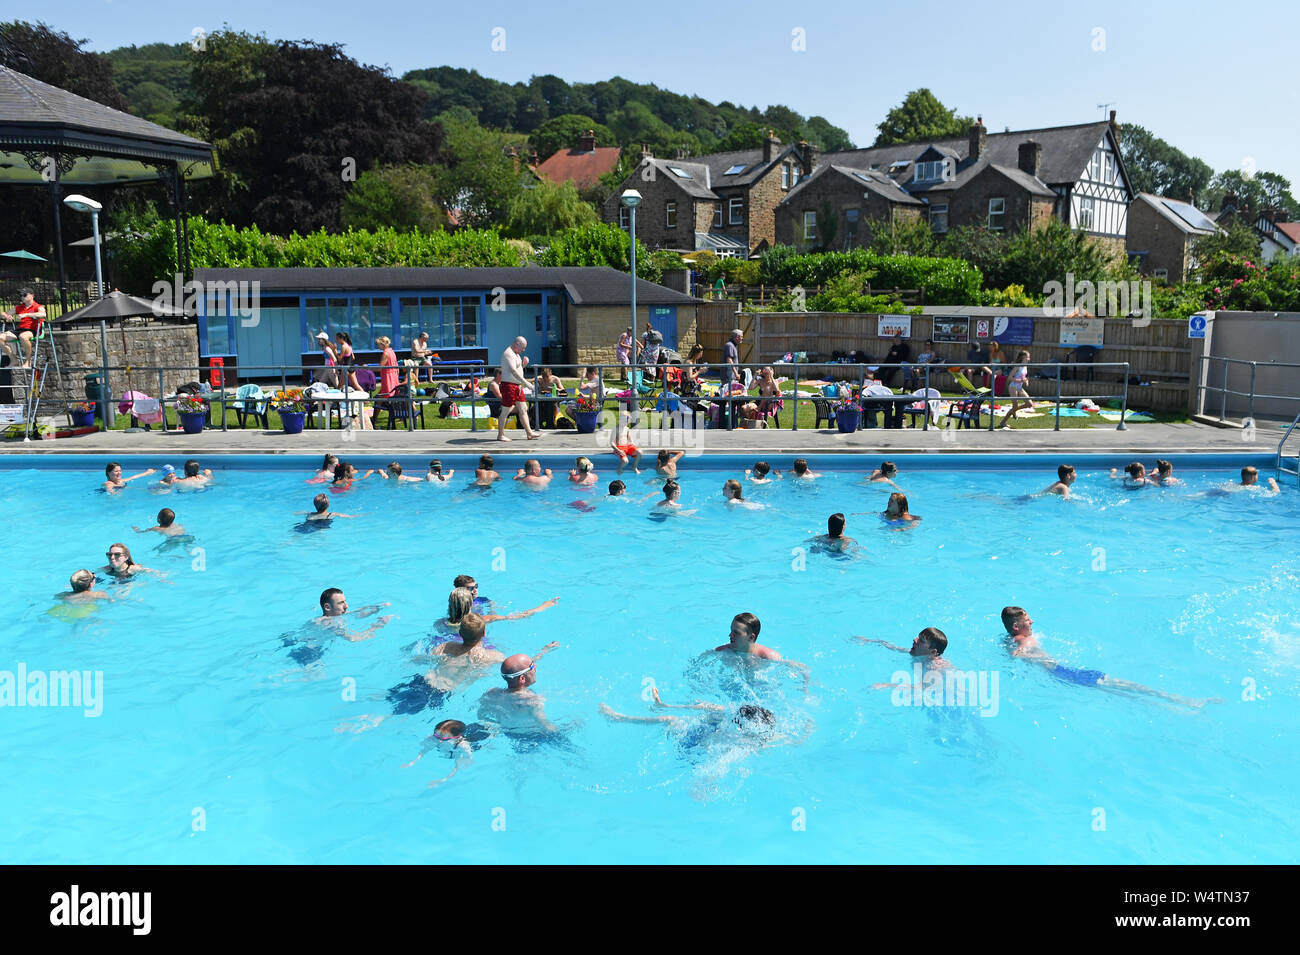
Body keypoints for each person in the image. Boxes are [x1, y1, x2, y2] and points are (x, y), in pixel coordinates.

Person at [1001, 606, 1216, 707]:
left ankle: (1170, 705)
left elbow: (1012, 649)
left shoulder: (1010, 638)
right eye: (1028, 620)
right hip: (1066, 672)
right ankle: (1179, 700)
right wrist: (1021, 655)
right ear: (1017, 625)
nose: (1032, 622)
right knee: (1124, 685)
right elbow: (1017, 652)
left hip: (1061, 675)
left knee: (1119, 693)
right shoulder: (1023, 641)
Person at [477, 645, 564, 737]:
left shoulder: (492, 694)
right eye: (532, 667)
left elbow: (481, 715)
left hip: (507, 733)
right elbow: (545, 725)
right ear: (522, 678)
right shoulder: (531, 701)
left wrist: (543, 651)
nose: (535, 666)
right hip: (530, 737)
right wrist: (562, 732)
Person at [712, 612, 811, 690]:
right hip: (733, 686)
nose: (730, 635)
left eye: (736, 633)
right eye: (731, 630)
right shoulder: (722, 651)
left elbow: (802, 668)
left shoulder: (768, 656)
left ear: (751, 637)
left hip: (761, 687)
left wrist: (805, 688)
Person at [403, 718, 491, 788]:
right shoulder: (436, 737)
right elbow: (424, 750)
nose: (439, 740)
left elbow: (458, 767)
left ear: (456, 737)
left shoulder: (462, 745)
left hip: (476, 738)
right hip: (460, 736)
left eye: (443, 738)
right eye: (437, 735)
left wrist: (441, 781)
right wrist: (411, 763)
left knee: (487, 732)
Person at [856, 627, 951, 689]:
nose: (915, 639)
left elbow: (923, 688)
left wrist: (887, 685)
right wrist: (869, 641)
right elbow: (894, 647)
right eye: (918, 637)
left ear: (933, 652)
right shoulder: (918, 652)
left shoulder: (934, 667)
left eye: (921, 640)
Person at [498, 336, 540, 441]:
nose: (523, 350)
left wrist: (523, 365)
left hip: (517, 386)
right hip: (509, 386)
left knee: (523, 409)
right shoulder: (508, 354)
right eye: (522, 347)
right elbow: (513, 371)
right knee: (505, 411)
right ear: (517, 344)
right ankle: (500, 435)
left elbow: (517, 368)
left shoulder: (516, 354)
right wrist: (527, 383)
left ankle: (529, 433)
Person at [0, 289, 46, 366]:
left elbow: (43, 314)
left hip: (33, 330)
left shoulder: (38, 306)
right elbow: (4, 313)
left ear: (32, 295)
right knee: (1, 337)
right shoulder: (19, 307)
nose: (22, 297)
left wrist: (26, 314)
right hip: (20, 330)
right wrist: (6, 316)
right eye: (21, 295)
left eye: (24, 295)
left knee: (23, 336)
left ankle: (28, 362)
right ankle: (14, 360)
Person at [998, 350, 1032, 430]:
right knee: (1015, 406)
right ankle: (1003, 422)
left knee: (1029, 403)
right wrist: (1021, 381)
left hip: (1019, 387)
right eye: (1028, 357)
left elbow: (1023, 377)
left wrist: (1026, 381)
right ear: (1023, 358)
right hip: (1013, 387)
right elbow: (1010, 378)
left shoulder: (1025, 367)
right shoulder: (1017, 366)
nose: (1029, 359)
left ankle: (1014, 411)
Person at [720, 328, 743, 426]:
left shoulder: (733, 345)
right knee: (728, 399)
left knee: (731, 399)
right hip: (729, 376)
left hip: (731, 376)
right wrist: (736, 374)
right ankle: (728, 423)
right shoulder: (729, 345)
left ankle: (731, 422)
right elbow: (729, 360)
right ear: (737, 337)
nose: (742, 338)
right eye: (741, 336)